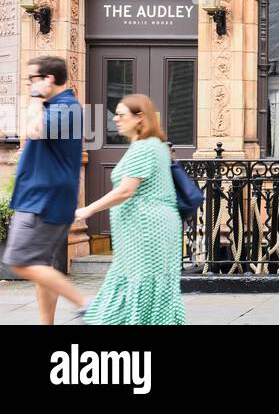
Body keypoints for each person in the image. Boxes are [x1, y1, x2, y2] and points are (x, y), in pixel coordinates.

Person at [74, 94, 185, 325]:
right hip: (146, 228)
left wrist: (88, 210)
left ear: (140, 118)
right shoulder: (151, 145)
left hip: (147, 229)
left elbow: (125, 191)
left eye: (121, 114)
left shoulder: (144, 148)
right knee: (141, 279)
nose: (115, 119)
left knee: (141, 279)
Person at [4, 56, 88, 325]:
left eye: (32, 79)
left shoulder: (64, 107)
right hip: (43, 196)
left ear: (48, 79)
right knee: (41, 265)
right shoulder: (58, 107)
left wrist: (36, 99)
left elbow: (35, 131)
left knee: (20, 262)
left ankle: (86, 303)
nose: (29, 85)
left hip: (43, 199)